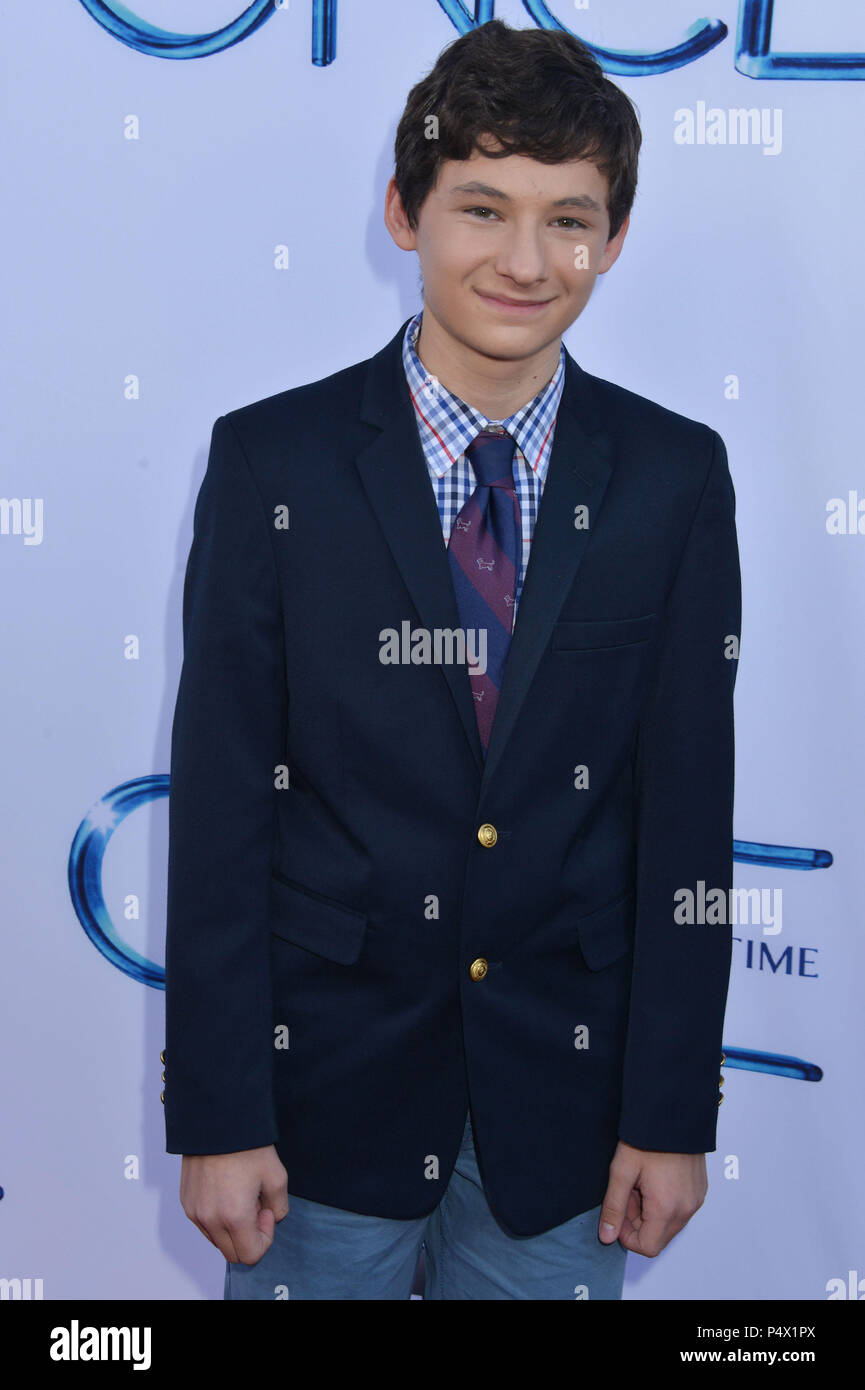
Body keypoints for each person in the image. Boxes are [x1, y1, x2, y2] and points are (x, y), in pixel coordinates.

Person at [162, 18, 740, 1301]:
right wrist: (217, 1110)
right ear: (402, 212)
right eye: (484, 207)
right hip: (315, 1112)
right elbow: (216, 814)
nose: (527, 260)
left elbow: (687, 822)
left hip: (568, 1125)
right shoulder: (276, 464)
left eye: (569, 219)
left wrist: (672, 1110)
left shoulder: (672, 477)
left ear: (616, 238)